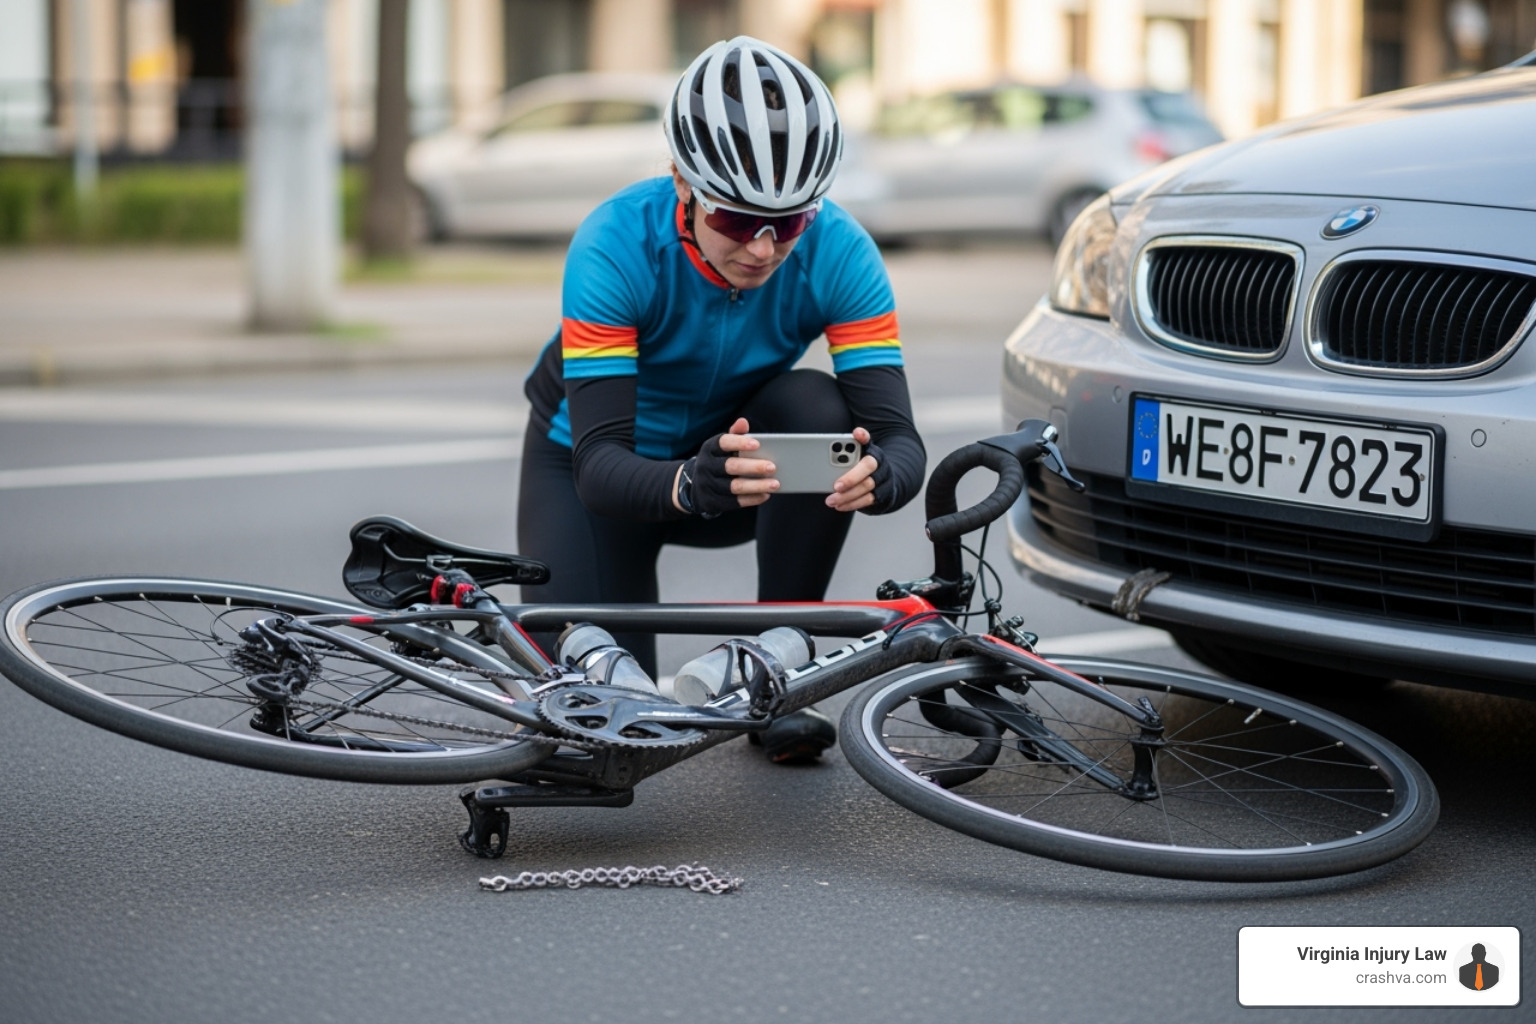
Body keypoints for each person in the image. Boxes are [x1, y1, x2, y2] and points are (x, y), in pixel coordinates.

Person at [517, 36, 926, 763]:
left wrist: (884, 476)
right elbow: (600, 465)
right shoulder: (614, 242)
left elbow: (898, 441)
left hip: (736, 464)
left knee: (821, 410)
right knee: (610, 729)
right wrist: (685, 480)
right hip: (598, 475)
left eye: (790, 222)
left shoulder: (842, 250)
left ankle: (774, 674)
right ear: (682, 184)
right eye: (737, 220)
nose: (764, 249)